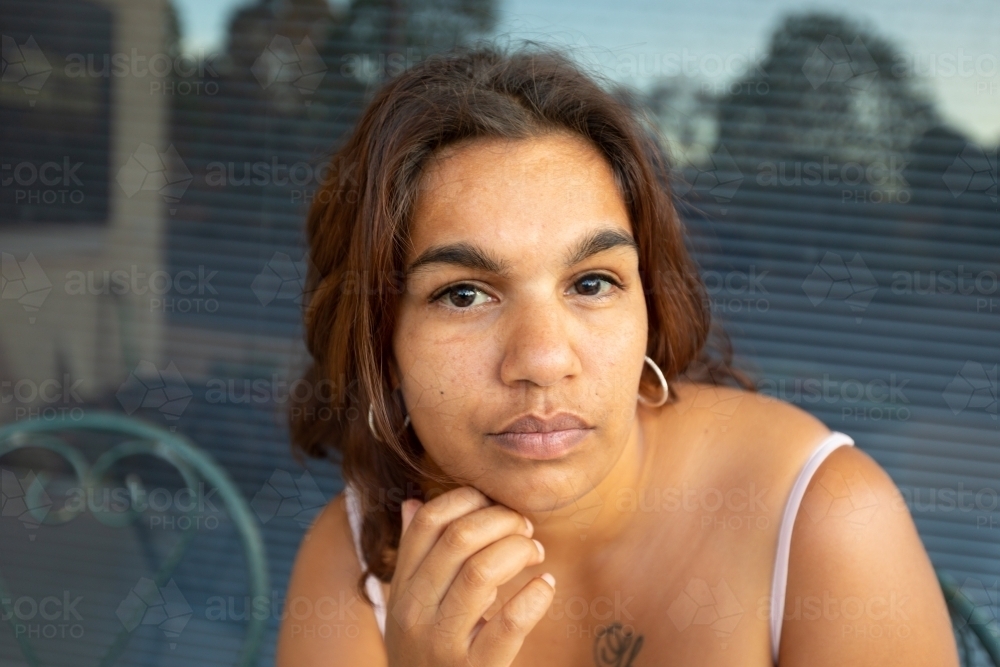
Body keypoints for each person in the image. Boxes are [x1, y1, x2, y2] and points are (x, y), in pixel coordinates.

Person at [275, 44, 958, 667]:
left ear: (649, 302)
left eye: (592, 283)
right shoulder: (356, 557)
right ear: (380, 340)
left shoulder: (824, 520)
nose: (543, 360)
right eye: (463, 295)